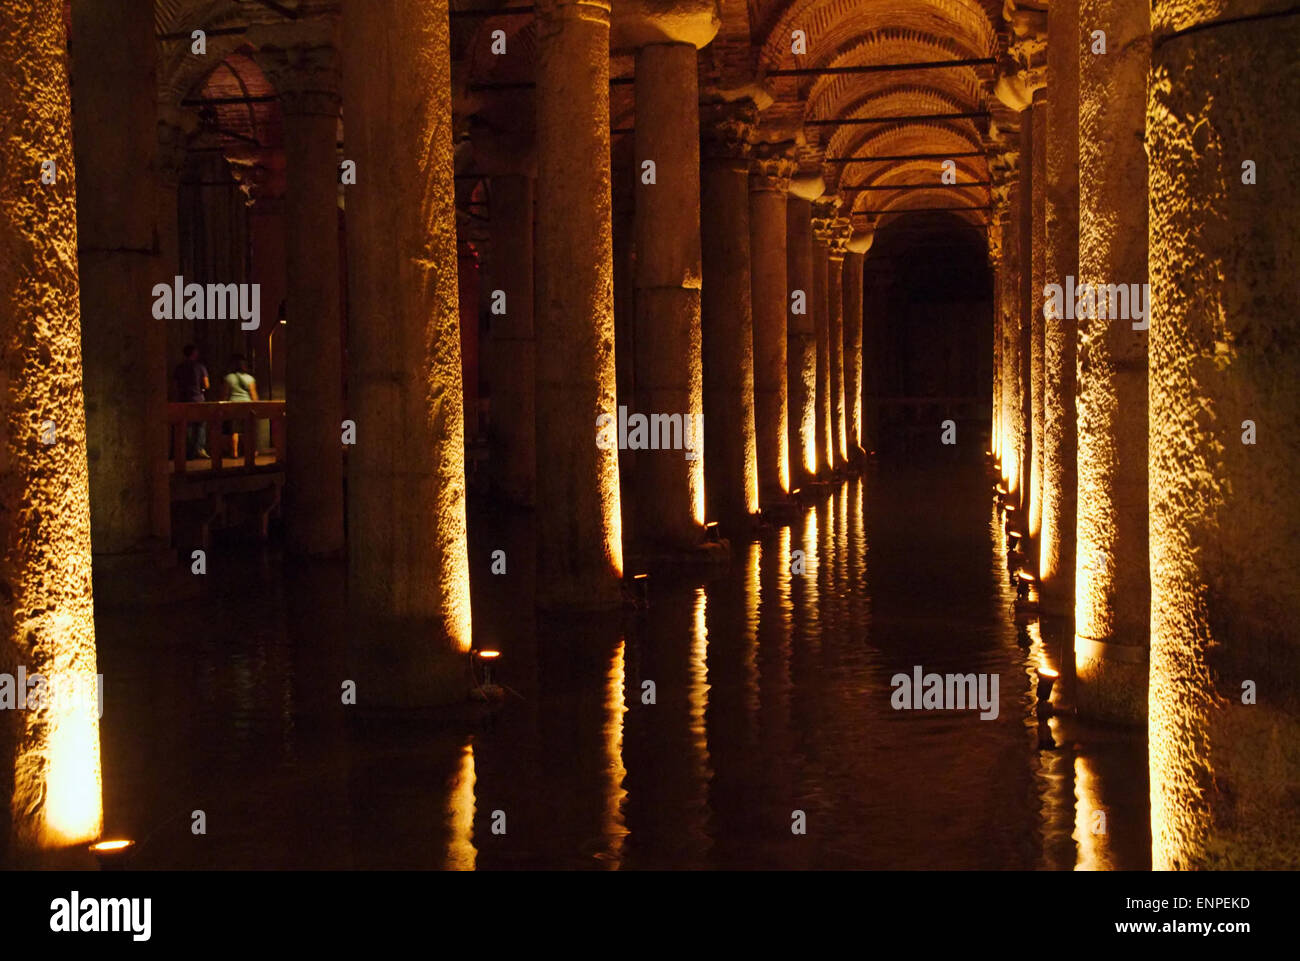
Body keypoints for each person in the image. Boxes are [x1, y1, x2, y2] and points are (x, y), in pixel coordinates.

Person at [172, 345, 209, 459]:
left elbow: (174, 385)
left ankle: (186, 451)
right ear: (194, 353)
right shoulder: (200, 367)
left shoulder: (179, 368)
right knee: (200, 425)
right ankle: (199, 449)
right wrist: (201, 389)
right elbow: (206, 385)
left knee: (186, 425)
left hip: (183, 400)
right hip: (198, 399)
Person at [221, 354, 259, 459]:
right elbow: (253, 394)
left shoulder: (228, 378)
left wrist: (223, 407)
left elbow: (225, 394)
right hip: (247, 404)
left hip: (233, 405)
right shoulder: (250, 379)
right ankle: (250, 451)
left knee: (234, 430)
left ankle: (234, 452)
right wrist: (257, 405)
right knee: (248, 430)